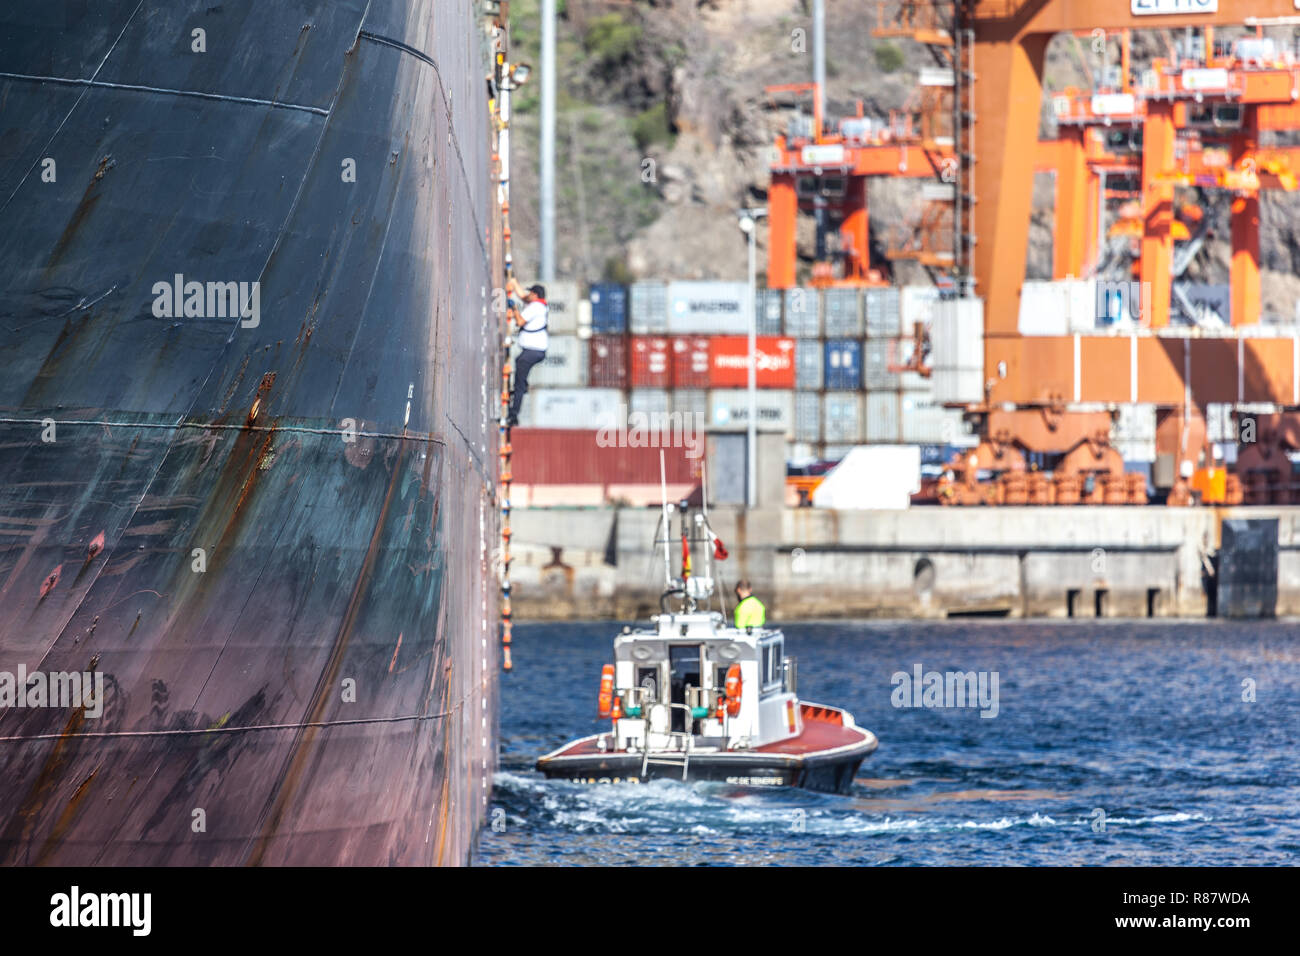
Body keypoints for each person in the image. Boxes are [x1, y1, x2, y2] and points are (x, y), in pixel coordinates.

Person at [506, 276, 548, 427]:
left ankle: (513, 415)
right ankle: (522, 386)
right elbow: (523, 296)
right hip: (536, 351)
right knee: (519, 365)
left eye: (530, 293)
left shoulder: (535, 307)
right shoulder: (539, 305)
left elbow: (520, 321)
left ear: (535, 295)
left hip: (532, 351)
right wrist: (515, 282)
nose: (527, 294)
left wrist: (514, 308)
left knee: (518, 384)